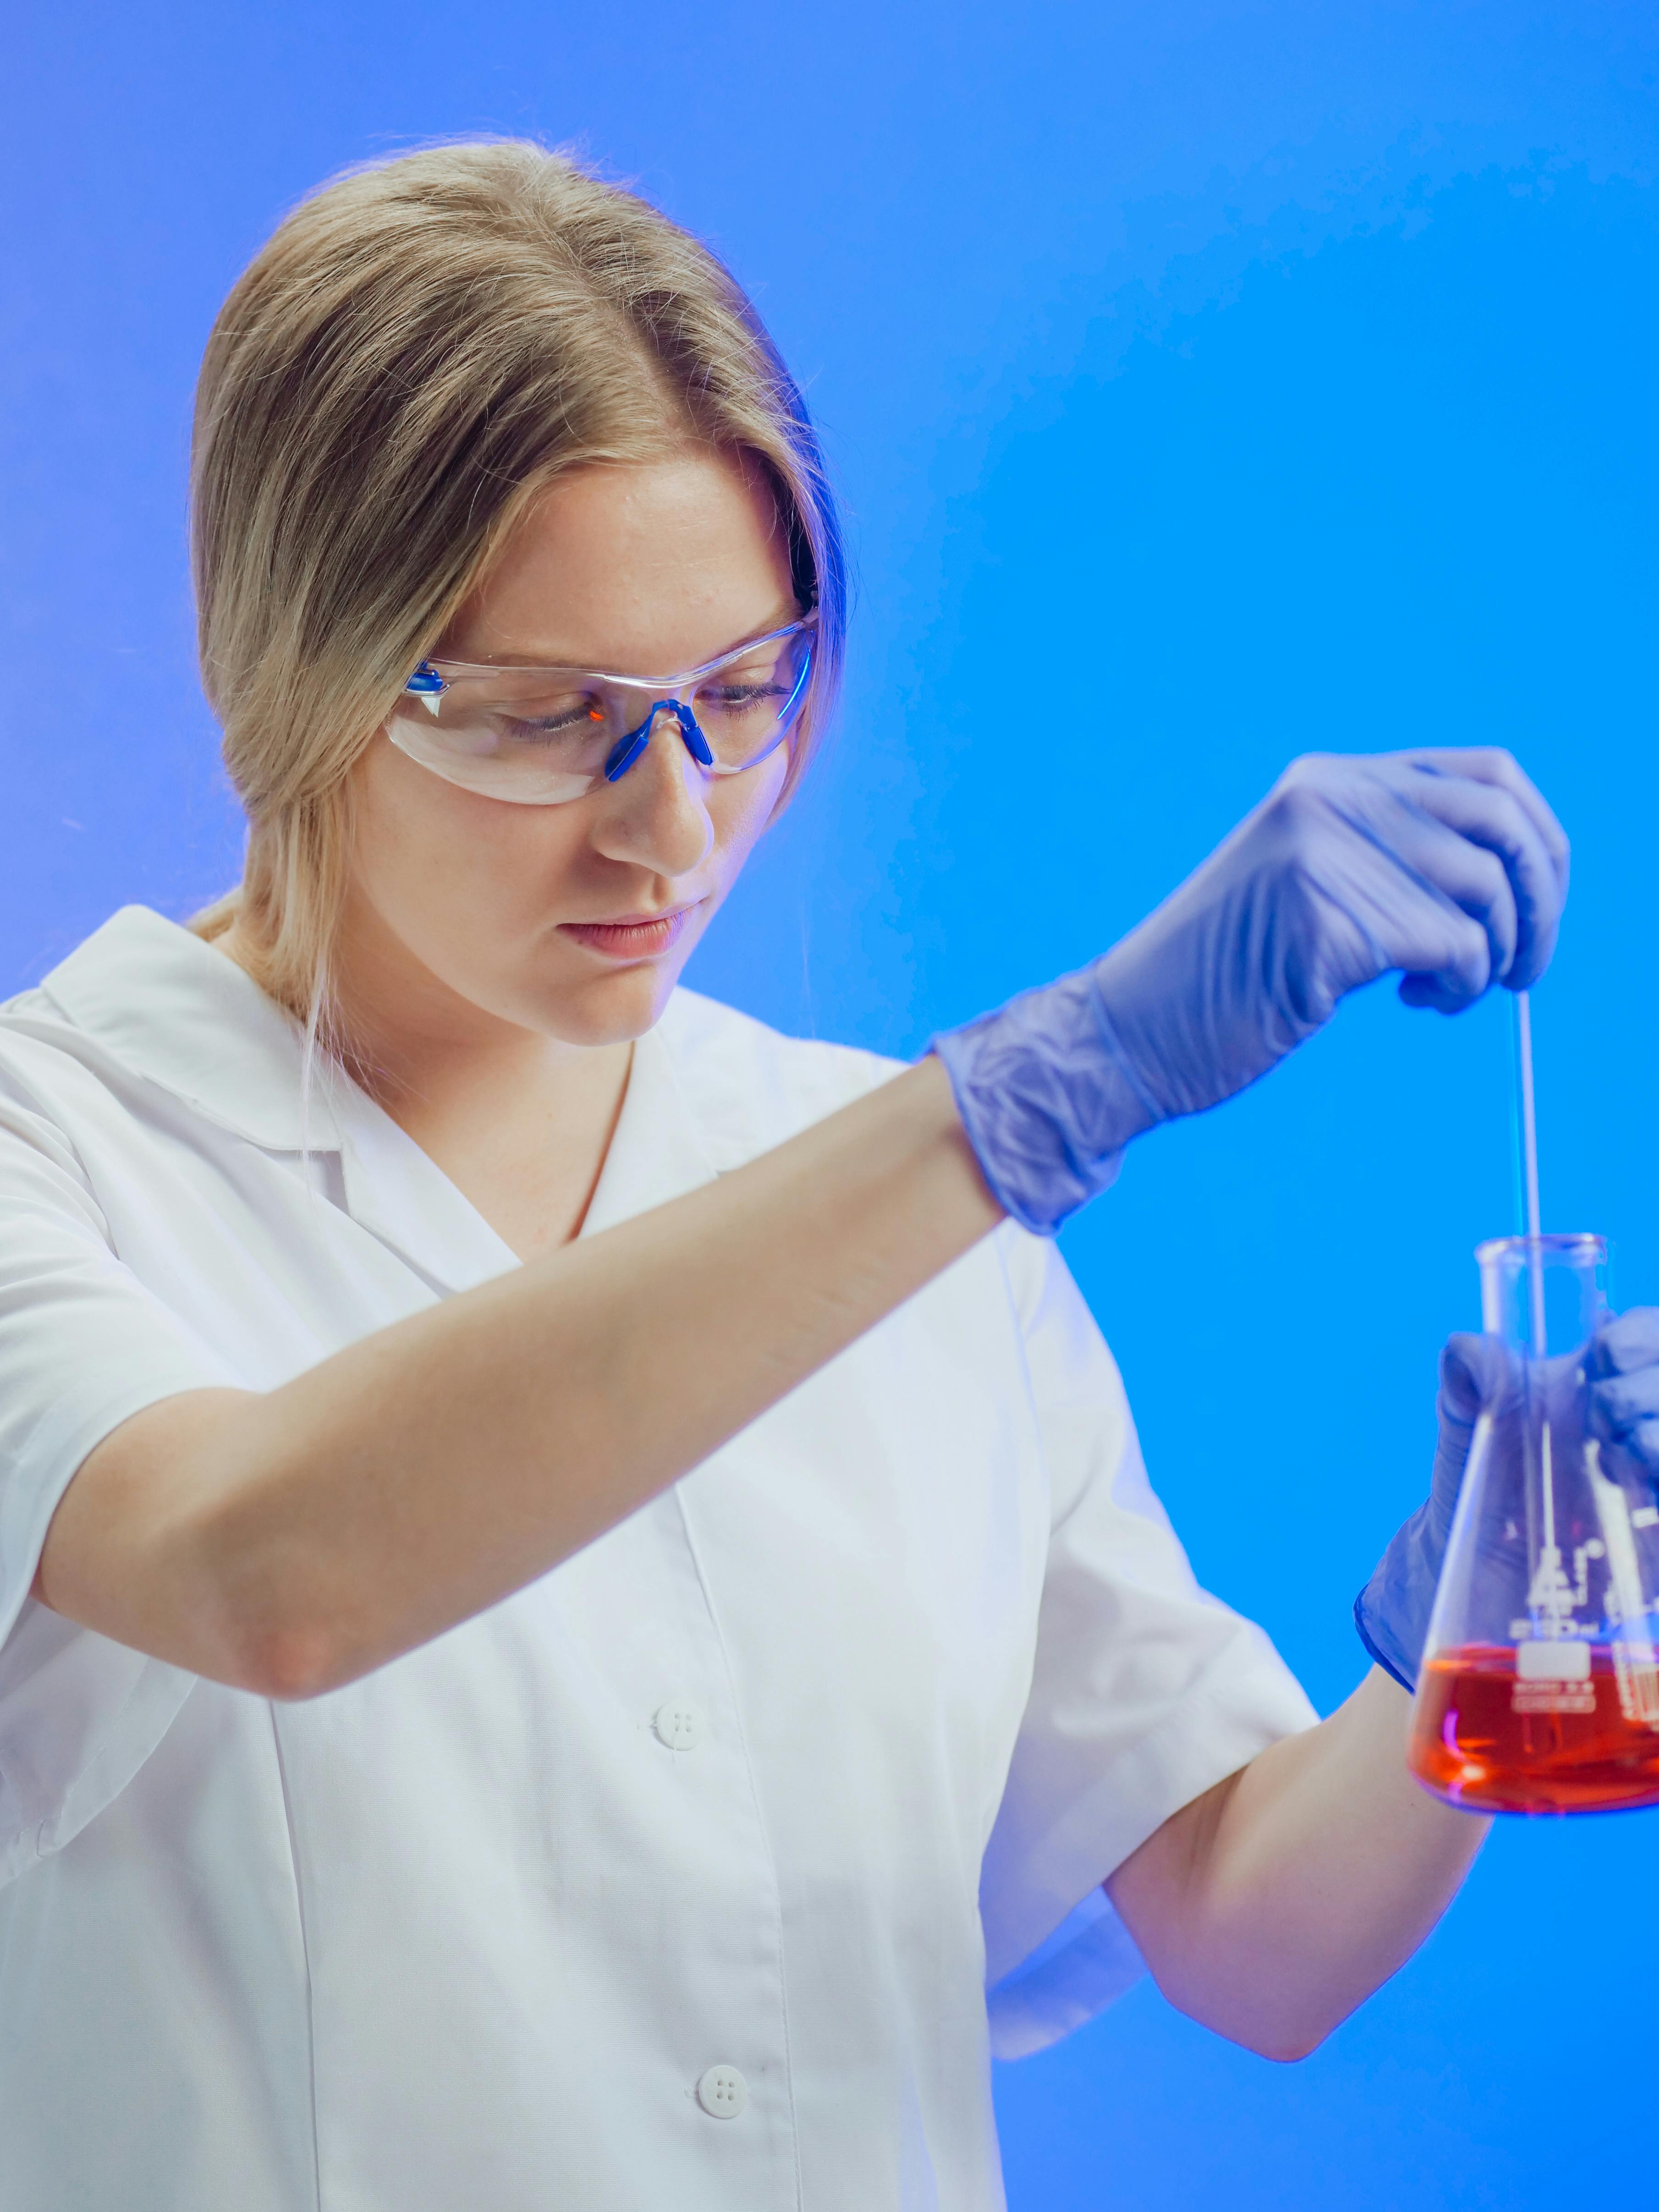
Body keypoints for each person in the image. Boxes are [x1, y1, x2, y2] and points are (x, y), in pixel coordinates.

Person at [0, 140, 1649, 2212]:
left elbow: (1253, 1931)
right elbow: (270, 1572)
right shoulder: (61, 1155)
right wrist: (1044, 1095)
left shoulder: (885, 1195)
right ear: (293, 670)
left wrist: (1458, 1638)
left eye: (738, 692)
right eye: (549, 718)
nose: (674, 826)